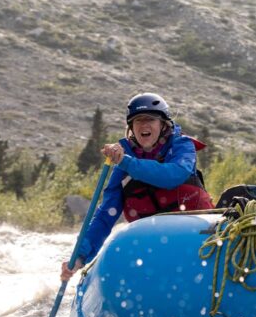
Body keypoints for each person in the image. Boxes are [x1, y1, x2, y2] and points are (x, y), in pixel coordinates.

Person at [61, 92, 214, 280]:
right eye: (137, 120)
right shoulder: (123, 164)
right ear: (131, 128)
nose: (144, 125)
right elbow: (105, 216)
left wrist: (127, 163)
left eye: (150, 119)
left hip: (199, 237)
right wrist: (79, 256)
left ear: (163, 124)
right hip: (154, 244)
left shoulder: (182, 146)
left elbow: (173, 176)